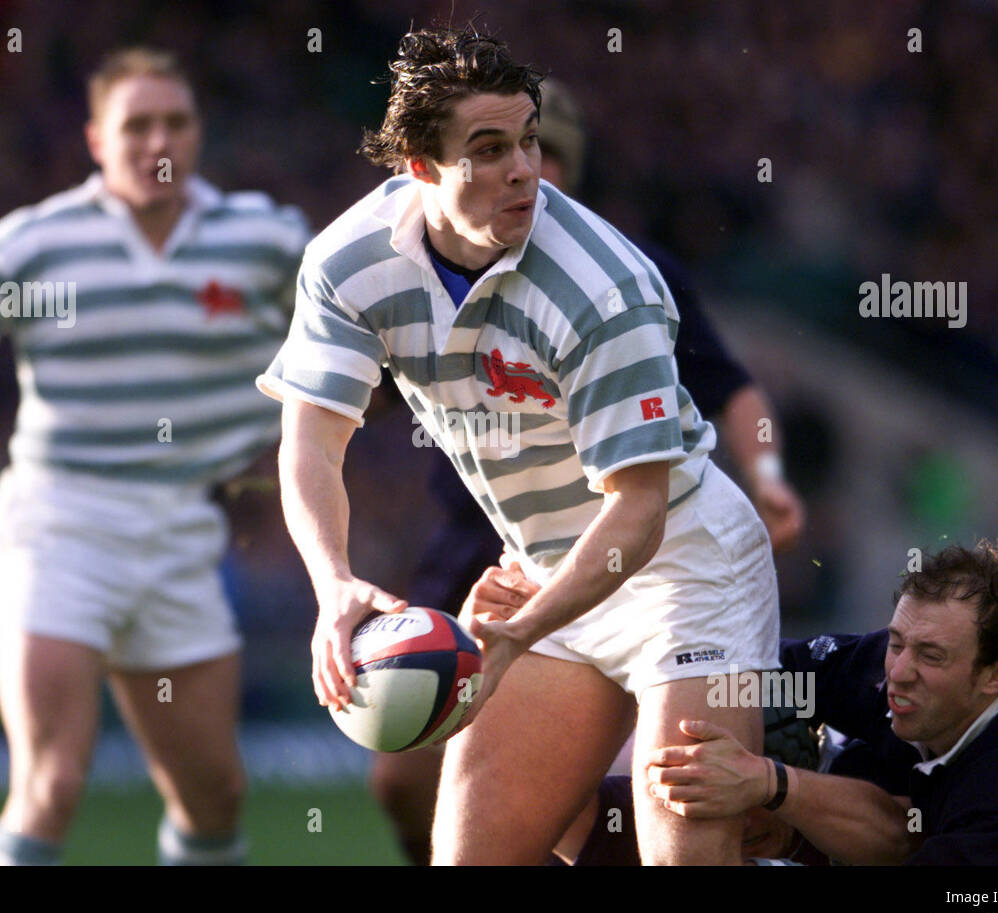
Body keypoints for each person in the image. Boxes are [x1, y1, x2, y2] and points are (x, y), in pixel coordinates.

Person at [259, 25, 780, 865]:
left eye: (530, 140)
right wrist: (335, 586)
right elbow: (312, 444)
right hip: (542, 573)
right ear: (419, 165)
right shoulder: (345, 264)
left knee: (685, 844)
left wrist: (517, 629)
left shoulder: (604, 284)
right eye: (490, 148)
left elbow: (639, 509)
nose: (525, 168)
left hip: (683, 570)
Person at [0, 48, 308, 865]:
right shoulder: (42, 245)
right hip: (58, 521)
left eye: (176, 122)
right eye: (136, 124)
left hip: (184, 528)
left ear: (199, 133)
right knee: (50, 783)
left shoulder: (265, 240)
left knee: (214, 797)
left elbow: (354, 332)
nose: (158, 140)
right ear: (95, 139)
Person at [640, 542, 998, 864]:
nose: (898, 672)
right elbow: (754, 678)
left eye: (930, 655)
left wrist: (769, 786)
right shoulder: (889, 669)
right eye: (896, 642)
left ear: (997, 675)